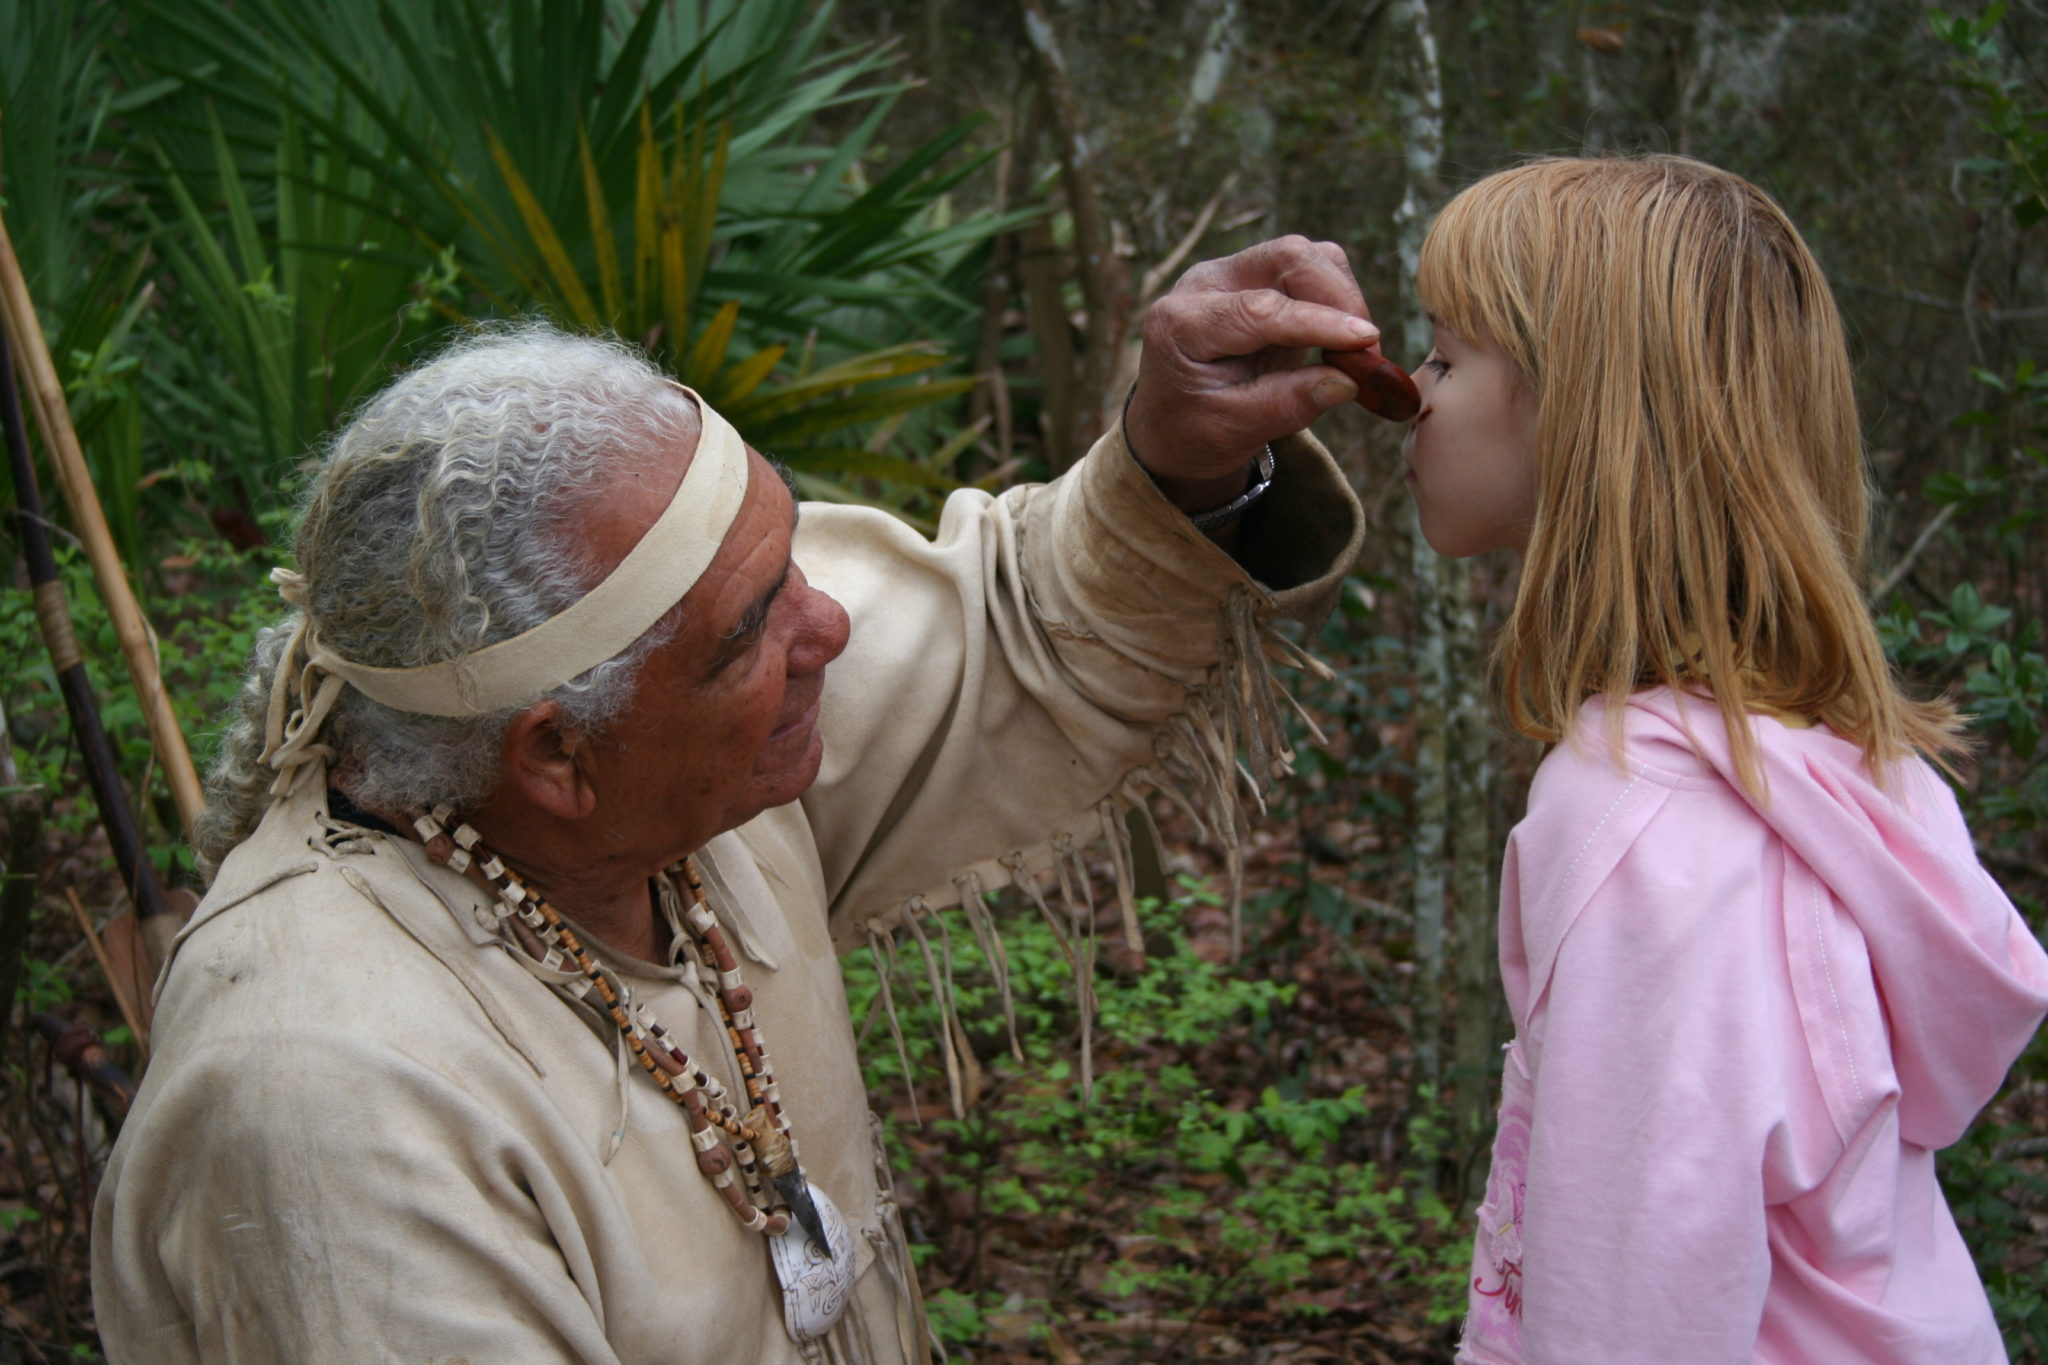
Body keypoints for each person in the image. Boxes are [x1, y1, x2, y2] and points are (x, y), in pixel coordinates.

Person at [91, 237, 1377, 1363]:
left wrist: (1178, 455)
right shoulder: (327, 1099)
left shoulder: (659, 748)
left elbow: (1018, 625)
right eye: (756, 624)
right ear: (556, 757)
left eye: (794, 558)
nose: (829, 626)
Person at [1403, 154, 2048, 1364]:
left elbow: (1633, 1314)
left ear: (1576, 412)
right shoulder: (1834, 769)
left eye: (1441, 356)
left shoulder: (1648, 831)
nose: (1407, 393)